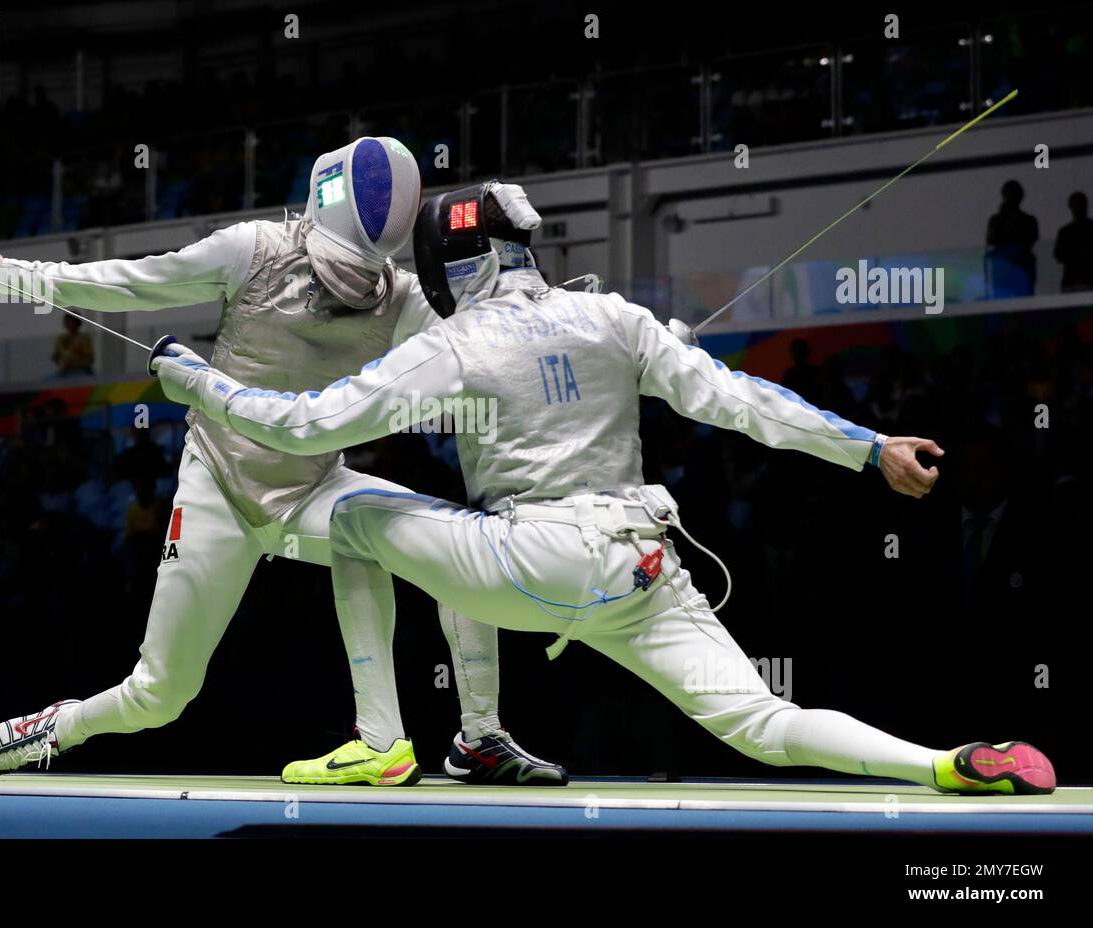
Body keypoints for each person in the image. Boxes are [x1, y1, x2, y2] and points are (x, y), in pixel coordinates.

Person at [151, 180, 1057, 795]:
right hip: (641, 564)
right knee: (760, 721)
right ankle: (943, 762)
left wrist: (199, 384)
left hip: (522, 565)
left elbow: (307, 426)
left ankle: (389, 742)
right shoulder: (615, 316)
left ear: (449, 266)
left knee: (350, 506)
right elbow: (741, 402)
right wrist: (869, 447)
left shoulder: (450, 345)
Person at [0, 140, 566, 787]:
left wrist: (588, 327)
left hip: (312, 490)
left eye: (360, 277)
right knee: (158, 696)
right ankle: (56, 728)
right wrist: (21, 276)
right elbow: (139, 279)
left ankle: (458, 740)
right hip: (216, 488)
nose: (350, 288)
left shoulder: (400, 298)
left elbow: (489, 344)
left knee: (455, 545)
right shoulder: (251, 249)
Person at [985, 179, 1039, 298]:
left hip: (1022, 266)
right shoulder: (996, 220)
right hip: (1002, 270)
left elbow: (1031, 239)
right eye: (1009, 194)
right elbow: (991, 240)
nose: (1011, 198)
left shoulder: (1029, 220)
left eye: (1014, 194)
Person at [1054, 191, 1093, 292]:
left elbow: (1059, 256)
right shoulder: (1065, 231)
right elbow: (1058, 256)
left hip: (1073, 281)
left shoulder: (1065, 231)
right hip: (1077, 281)